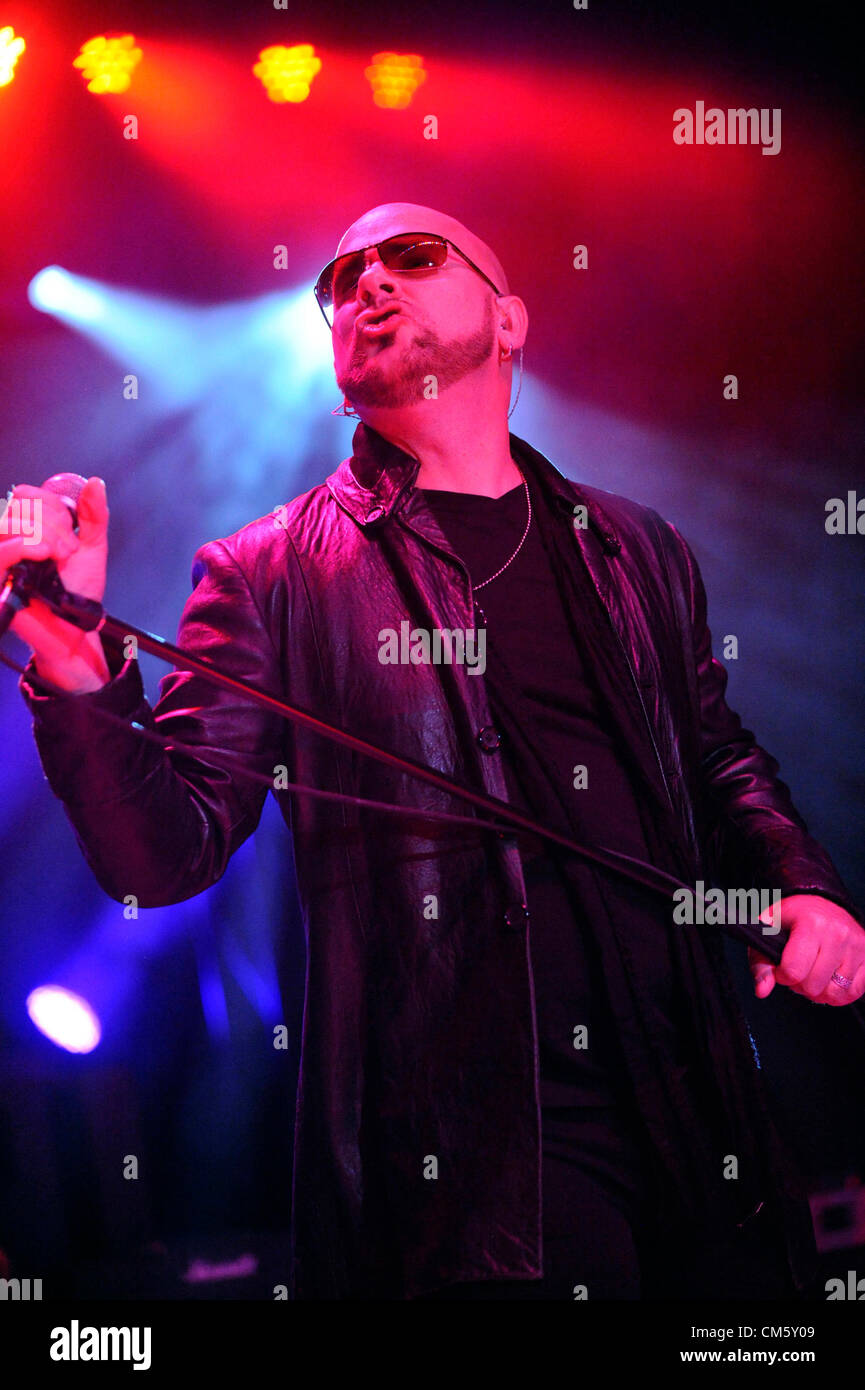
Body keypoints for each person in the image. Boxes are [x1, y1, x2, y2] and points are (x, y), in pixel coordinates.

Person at [6, 202, 864, 1302]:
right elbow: (163, 854)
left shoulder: (635, 545)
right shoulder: (270, 571)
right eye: (340, 280)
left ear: (508, 323)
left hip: (696, 1114)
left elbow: (713, 750)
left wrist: (802, 885)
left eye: (411, 258)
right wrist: (78, 672)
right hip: (480, 1164)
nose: (366, 283)